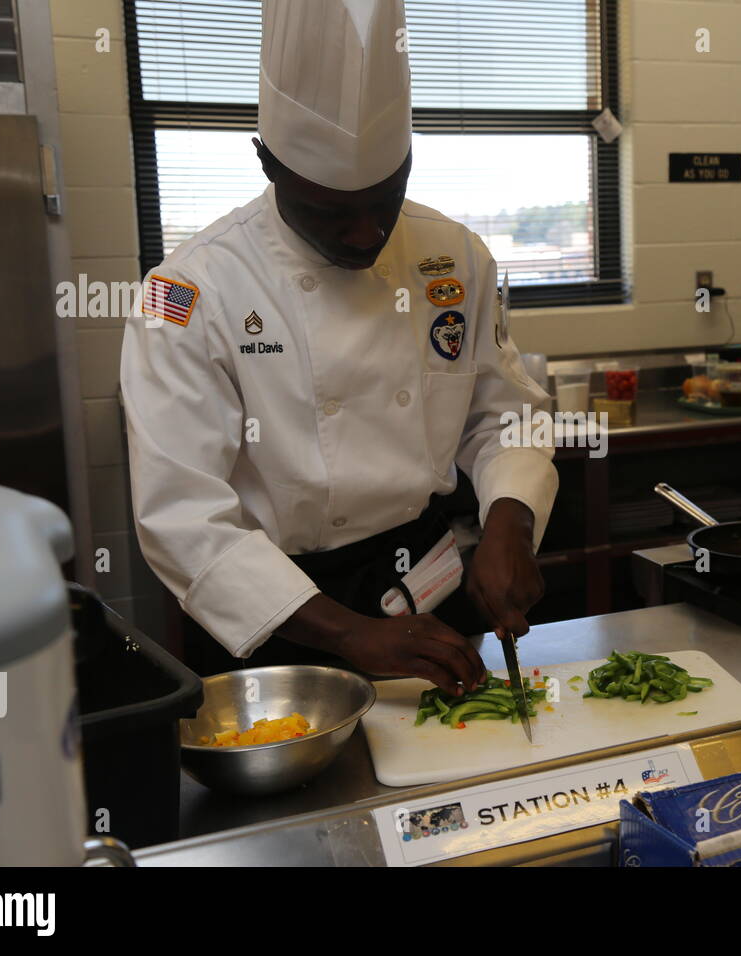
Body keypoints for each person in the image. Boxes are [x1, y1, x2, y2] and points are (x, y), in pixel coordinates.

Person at [120, 0, 557, 692]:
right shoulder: (188, 294)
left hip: (427, 587)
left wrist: (510, 516)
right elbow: (181, 517)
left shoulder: (456, 256)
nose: (365, 234)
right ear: (266, 163)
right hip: (280, 620)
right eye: (329, 211)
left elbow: (504, 417)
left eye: (387, 199)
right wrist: (350, 633)